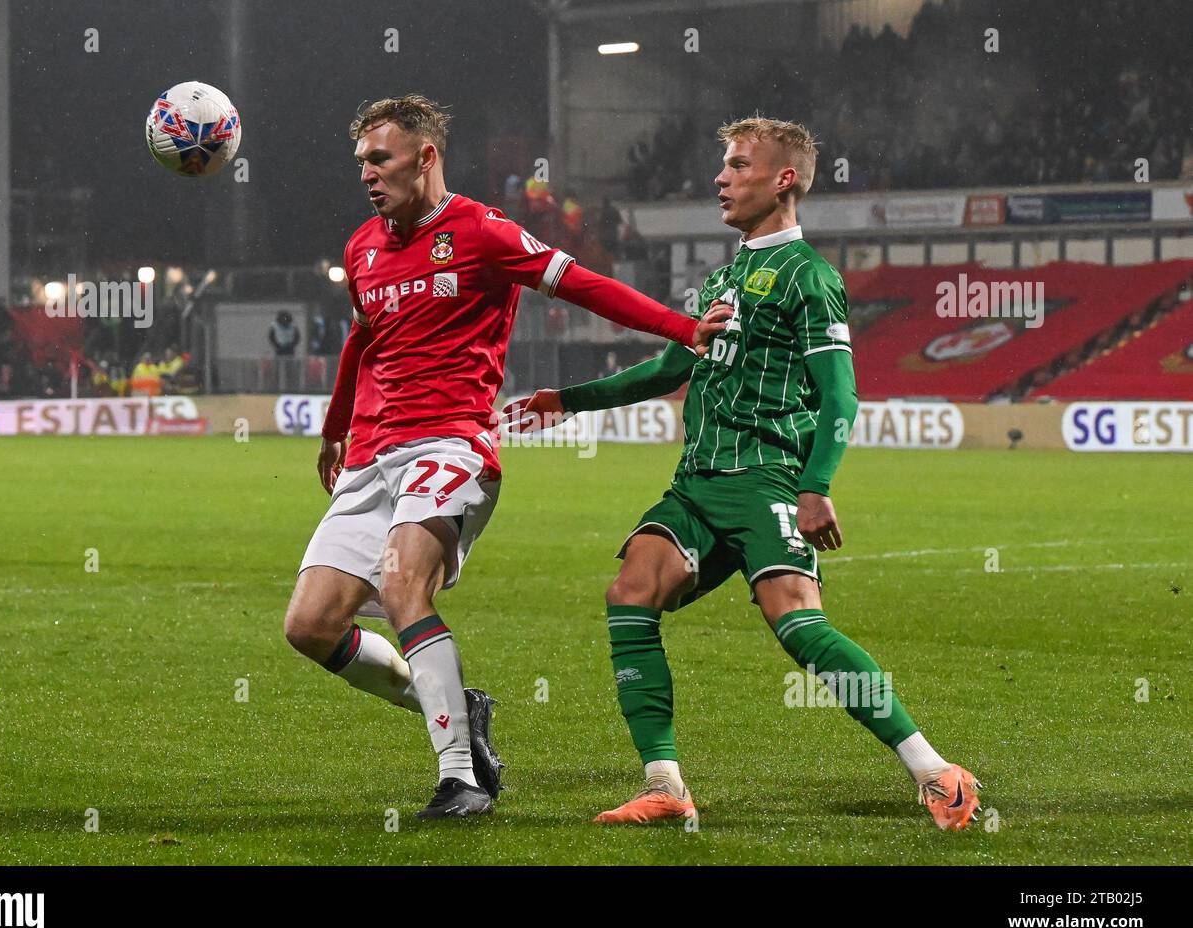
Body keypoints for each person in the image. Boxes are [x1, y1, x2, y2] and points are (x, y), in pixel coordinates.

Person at [517, 116, 981, 830]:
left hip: (765, 477)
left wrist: (815, 484)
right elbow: (673, 365)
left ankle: (934, 772)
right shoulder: (723, 277)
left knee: (797, 623)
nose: (720, 179)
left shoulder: (809, 277)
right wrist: (568, 402)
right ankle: (665, 783)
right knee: (629, 590)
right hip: (698, 482)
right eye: (724, 166)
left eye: (737, 166)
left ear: (783, 178)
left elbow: (841, 394)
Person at [283, 95, 724, 819]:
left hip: (452, 443)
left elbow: (584, 283)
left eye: (380, 158)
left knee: (401, 588)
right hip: (372, 456)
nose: (366, 172)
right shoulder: (362, 246)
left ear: (426, 156)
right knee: (310, 626)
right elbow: (361, 341)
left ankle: (461, 778)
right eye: (361, 160)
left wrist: (681, 328)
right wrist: (334, 429)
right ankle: (461, 707)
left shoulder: (482, 231)